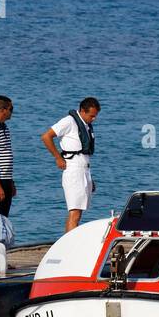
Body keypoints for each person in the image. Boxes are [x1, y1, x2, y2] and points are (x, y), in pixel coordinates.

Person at [41, 98, 101, 232]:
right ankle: (69, 246)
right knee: (75, 213)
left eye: (95, 116)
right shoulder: (69, 121)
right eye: (92, 115)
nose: (94, 119)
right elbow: (46, 136)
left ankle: (69, 243)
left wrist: (90, 179)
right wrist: (58, 158)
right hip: (73, 169)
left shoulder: (86, 125)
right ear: (83, 111)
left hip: (84, 169)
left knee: (78, 212)